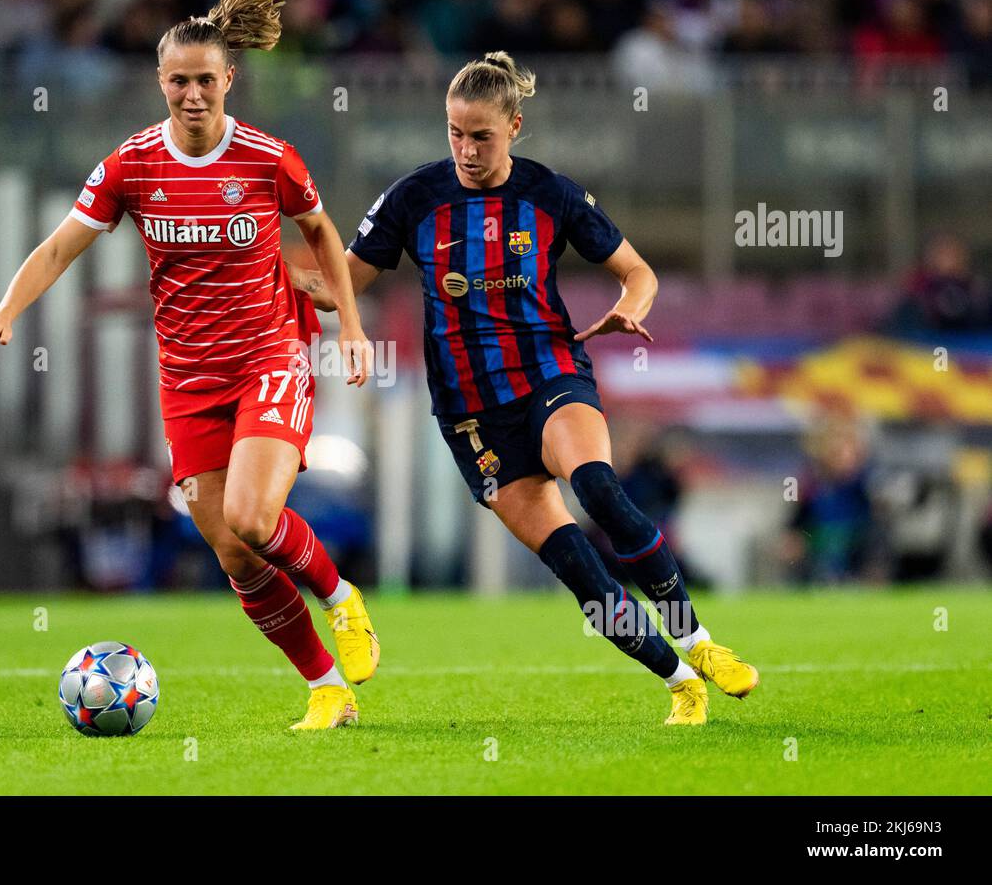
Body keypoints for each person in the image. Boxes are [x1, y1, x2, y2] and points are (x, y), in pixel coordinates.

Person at [0, 0, 379, 731]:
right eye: (177, 81)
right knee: (233, 552)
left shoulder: (267, 157)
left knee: (256, 518)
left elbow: (321, 232)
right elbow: (60, 247)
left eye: (206, 81)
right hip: (188, 377)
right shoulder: (133, 164)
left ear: (229, 79)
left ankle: (341, 598)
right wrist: (4, 313)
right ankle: (327, 688)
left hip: (269, 354)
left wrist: (351, 326)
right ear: (160, 81)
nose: (192, 95)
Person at [297, 51, 759, 726]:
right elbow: (337, 284)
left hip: (549, 372)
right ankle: (680, 681)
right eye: (455, 133)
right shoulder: (414, 197)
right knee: (578, 569)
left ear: (514, 126)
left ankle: (699, 641)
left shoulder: (552, 194)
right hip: (471, 415)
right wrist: (256, 272)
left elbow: (638, 271)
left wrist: (635, 303)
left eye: (481, 135)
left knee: (599, 486)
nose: (467, 149)